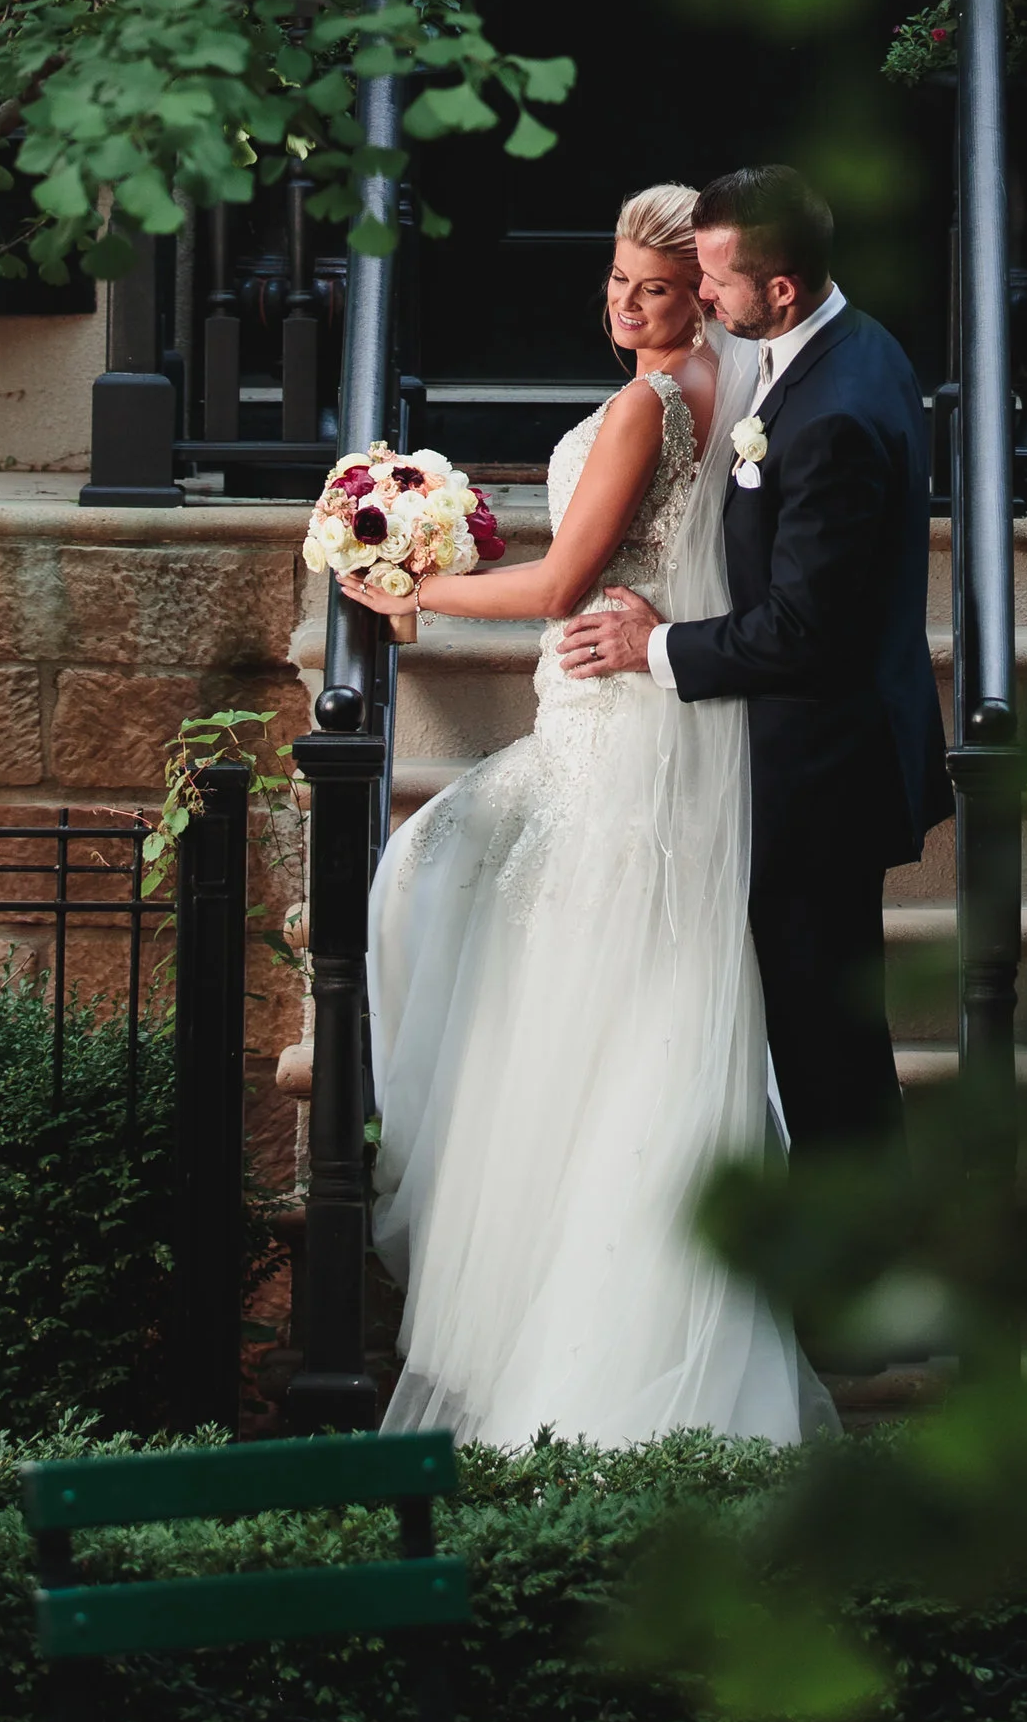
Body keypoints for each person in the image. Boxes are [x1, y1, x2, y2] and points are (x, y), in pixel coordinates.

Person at [351, 185, 829, 1447]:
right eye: (616, 280)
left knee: (444, 871)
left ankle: (565, 1318)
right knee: (638, 983)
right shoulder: (744, 390)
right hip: (675, 713)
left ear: (701, 295)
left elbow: (570, 581)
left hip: (616, 717)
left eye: (655, 288)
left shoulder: (646, 404)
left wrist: (414, 581)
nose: (625, 304)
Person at [562, 163, 950, 1154]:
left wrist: (657, 645)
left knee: (827, 1056)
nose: (700, 296)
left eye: (716, 281)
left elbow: (801, 628)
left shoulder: (836, 417)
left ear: (779, 290)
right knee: (827, 1043)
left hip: (819, 774)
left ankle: (853, 1275)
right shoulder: (843, 347)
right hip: (813, 753)